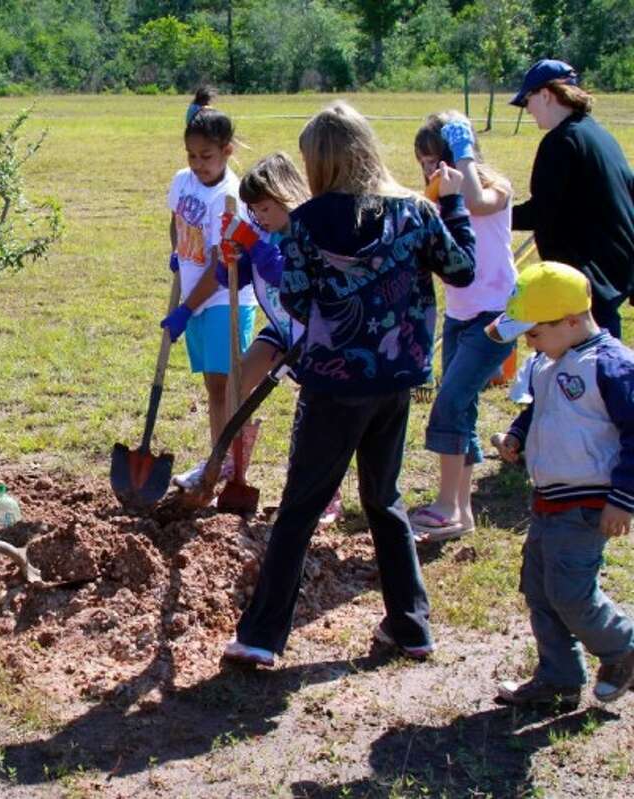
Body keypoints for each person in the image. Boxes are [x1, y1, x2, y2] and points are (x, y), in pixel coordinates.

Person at [222, 102, 476, 668]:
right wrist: (452, 202)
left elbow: (295, 298)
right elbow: (461, 269)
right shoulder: (415, 212)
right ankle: (411, 628)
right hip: (395, 377)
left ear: (320, 162)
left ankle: (261, 637)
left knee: (300, 508)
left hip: (334, 382)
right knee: (383, 499)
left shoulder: (308, 222)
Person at [491, 261, 634, 708]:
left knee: (571, 593)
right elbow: (541, 411)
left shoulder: (611, 366)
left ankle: (623, 647)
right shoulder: (547, 362)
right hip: (548, 500)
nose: (528, 343)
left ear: (571, 322)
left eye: (534, 333)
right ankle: (558, 678)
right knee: (540, 591)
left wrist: (623, 500)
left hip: (589, 502)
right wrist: (517, 434)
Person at [408, 111, 517, 541]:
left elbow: (476, 204)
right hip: (458, 314)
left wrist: (465, 159)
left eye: (436, 160)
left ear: (459, 155)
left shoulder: (496, 187)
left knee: (450, 403)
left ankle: (445, 504)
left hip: (496, 316)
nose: (431, 171)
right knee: (463, 410)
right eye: (424, 163)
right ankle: (461, 513)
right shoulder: (437, 199)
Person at [217, 151, 342, 526]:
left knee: (315, 421)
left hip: (315, 338)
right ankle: (232, 465)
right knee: (238, 379)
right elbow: (233, 281)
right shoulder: (263, 232)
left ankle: (326, 495)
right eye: (253, 210)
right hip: (282, 329)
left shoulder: (307, 232)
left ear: (287, 195)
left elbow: (281, 274)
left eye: (265, 208)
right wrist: (230, 258)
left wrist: (252, 247)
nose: (259, 218)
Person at [161, 103, 255, 492]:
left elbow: (221, 269)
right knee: (213, 387)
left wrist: (185, 308)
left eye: (208, 156)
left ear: (228, 151)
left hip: (221, 301)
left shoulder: (231, 197)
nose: (199, 165)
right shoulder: (183, 180)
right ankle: (219, 458)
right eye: (192, 156)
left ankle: (225, 464)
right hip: (193, 296)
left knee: (226, 387)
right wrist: (178, 251)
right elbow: (177, 220)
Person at [509, 59, 634, 340]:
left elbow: (540, 212)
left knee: (593, 363)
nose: (527, 110)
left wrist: (490, 217)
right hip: (613, 271)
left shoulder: (561, 142)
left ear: (546, 95)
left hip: (587, 277)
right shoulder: (599, 134)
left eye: (527, 100)